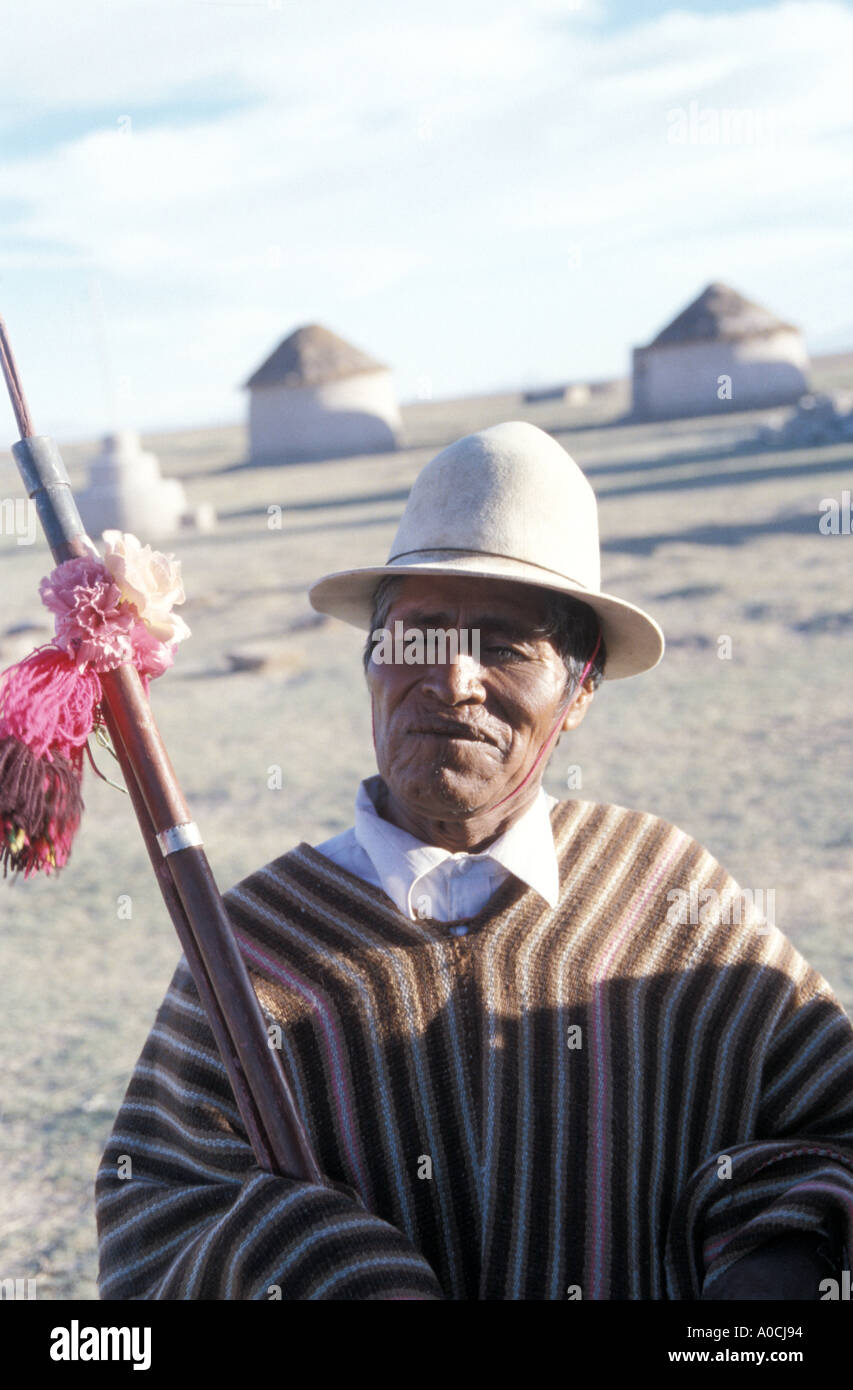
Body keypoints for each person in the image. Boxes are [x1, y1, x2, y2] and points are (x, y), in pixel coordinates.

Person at [95, 422, 853, 1300]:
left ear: (579, 691)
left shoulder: (664, 892)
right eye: (414, 637)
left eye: (503, 645)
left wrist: (766, 1277)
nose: (451, 679)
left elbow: (829, 1124)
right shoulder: (251, 949)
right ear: (370, 660)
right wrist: (313, 1262)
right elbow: (152, 1226)